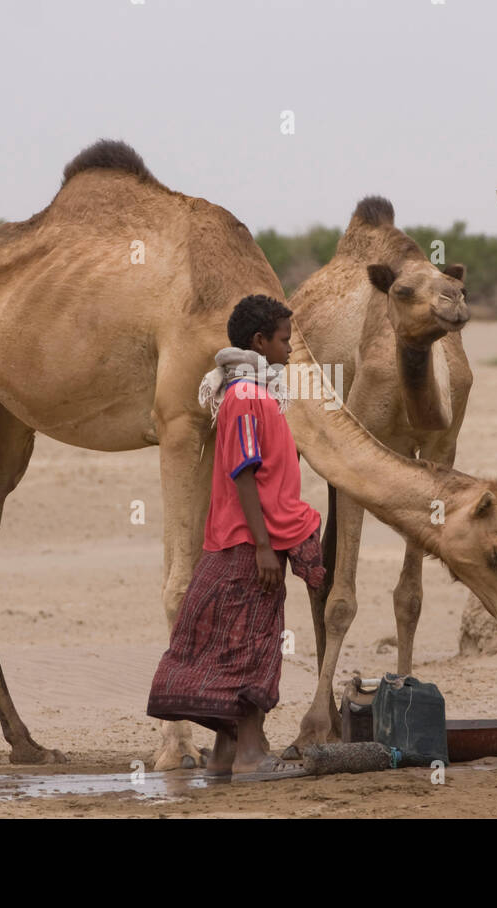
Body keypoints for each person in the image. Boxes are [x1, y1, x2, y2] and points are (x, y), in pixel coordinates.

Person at [147, 294, 325, 774]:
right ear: (259, 341)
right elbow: (244, 472)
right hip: (247, 546)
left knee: (234, 645)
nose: (290, 349)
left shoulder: (254, 394)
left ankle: (226, 758)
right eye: (284, 340)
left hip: (243, 543)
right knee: (250, 649)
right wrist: (266, 547)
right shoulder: (246, 398)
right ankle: (250, 756)